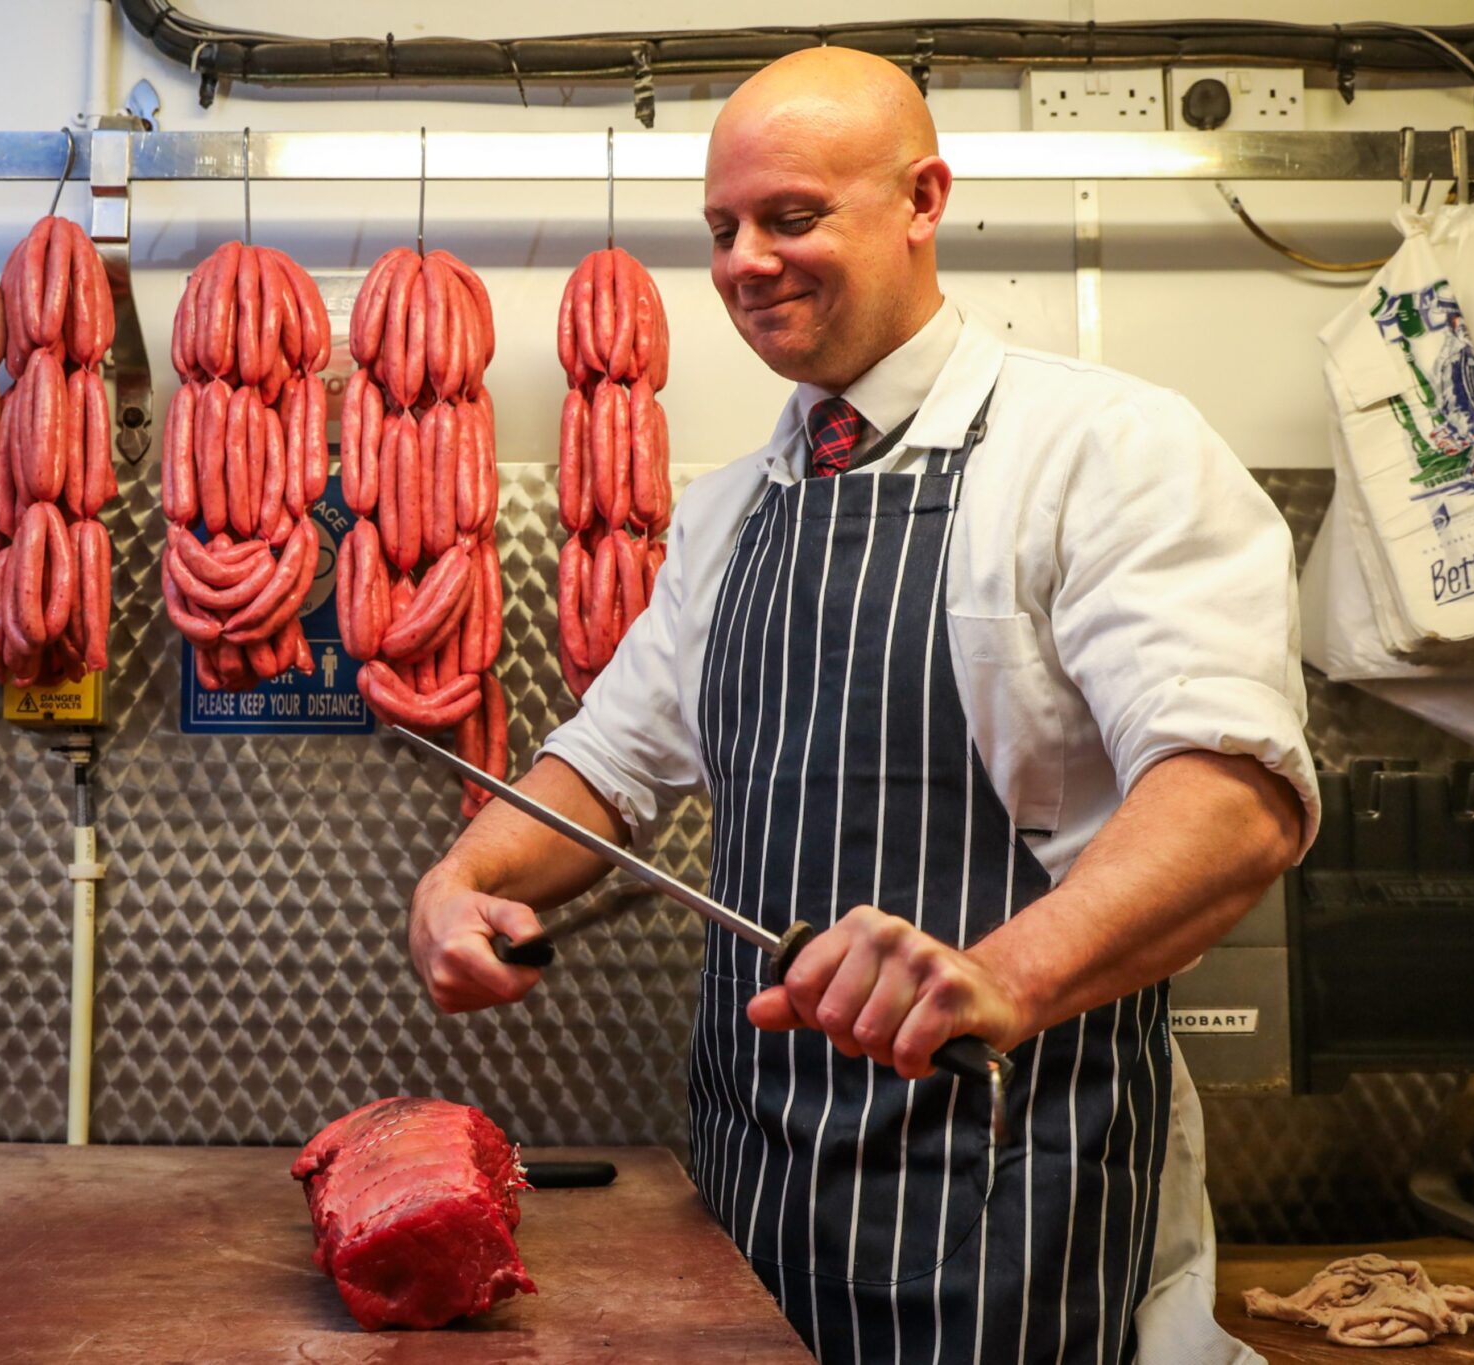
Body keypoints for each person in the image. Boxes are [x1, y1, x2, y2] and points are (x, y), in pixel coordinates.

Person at [409, 45, 1315, 1365]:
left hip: (1013, 1193)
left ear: (921, 201)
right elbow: (606, 766)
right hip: (751, 1186)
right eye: (723, 229)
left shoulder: (1104, 450)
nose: (742, 262)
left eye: (790, 217)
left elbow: (1234, 802)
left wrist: (997, 976)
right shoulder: (730, 509)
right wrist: (473, 870)